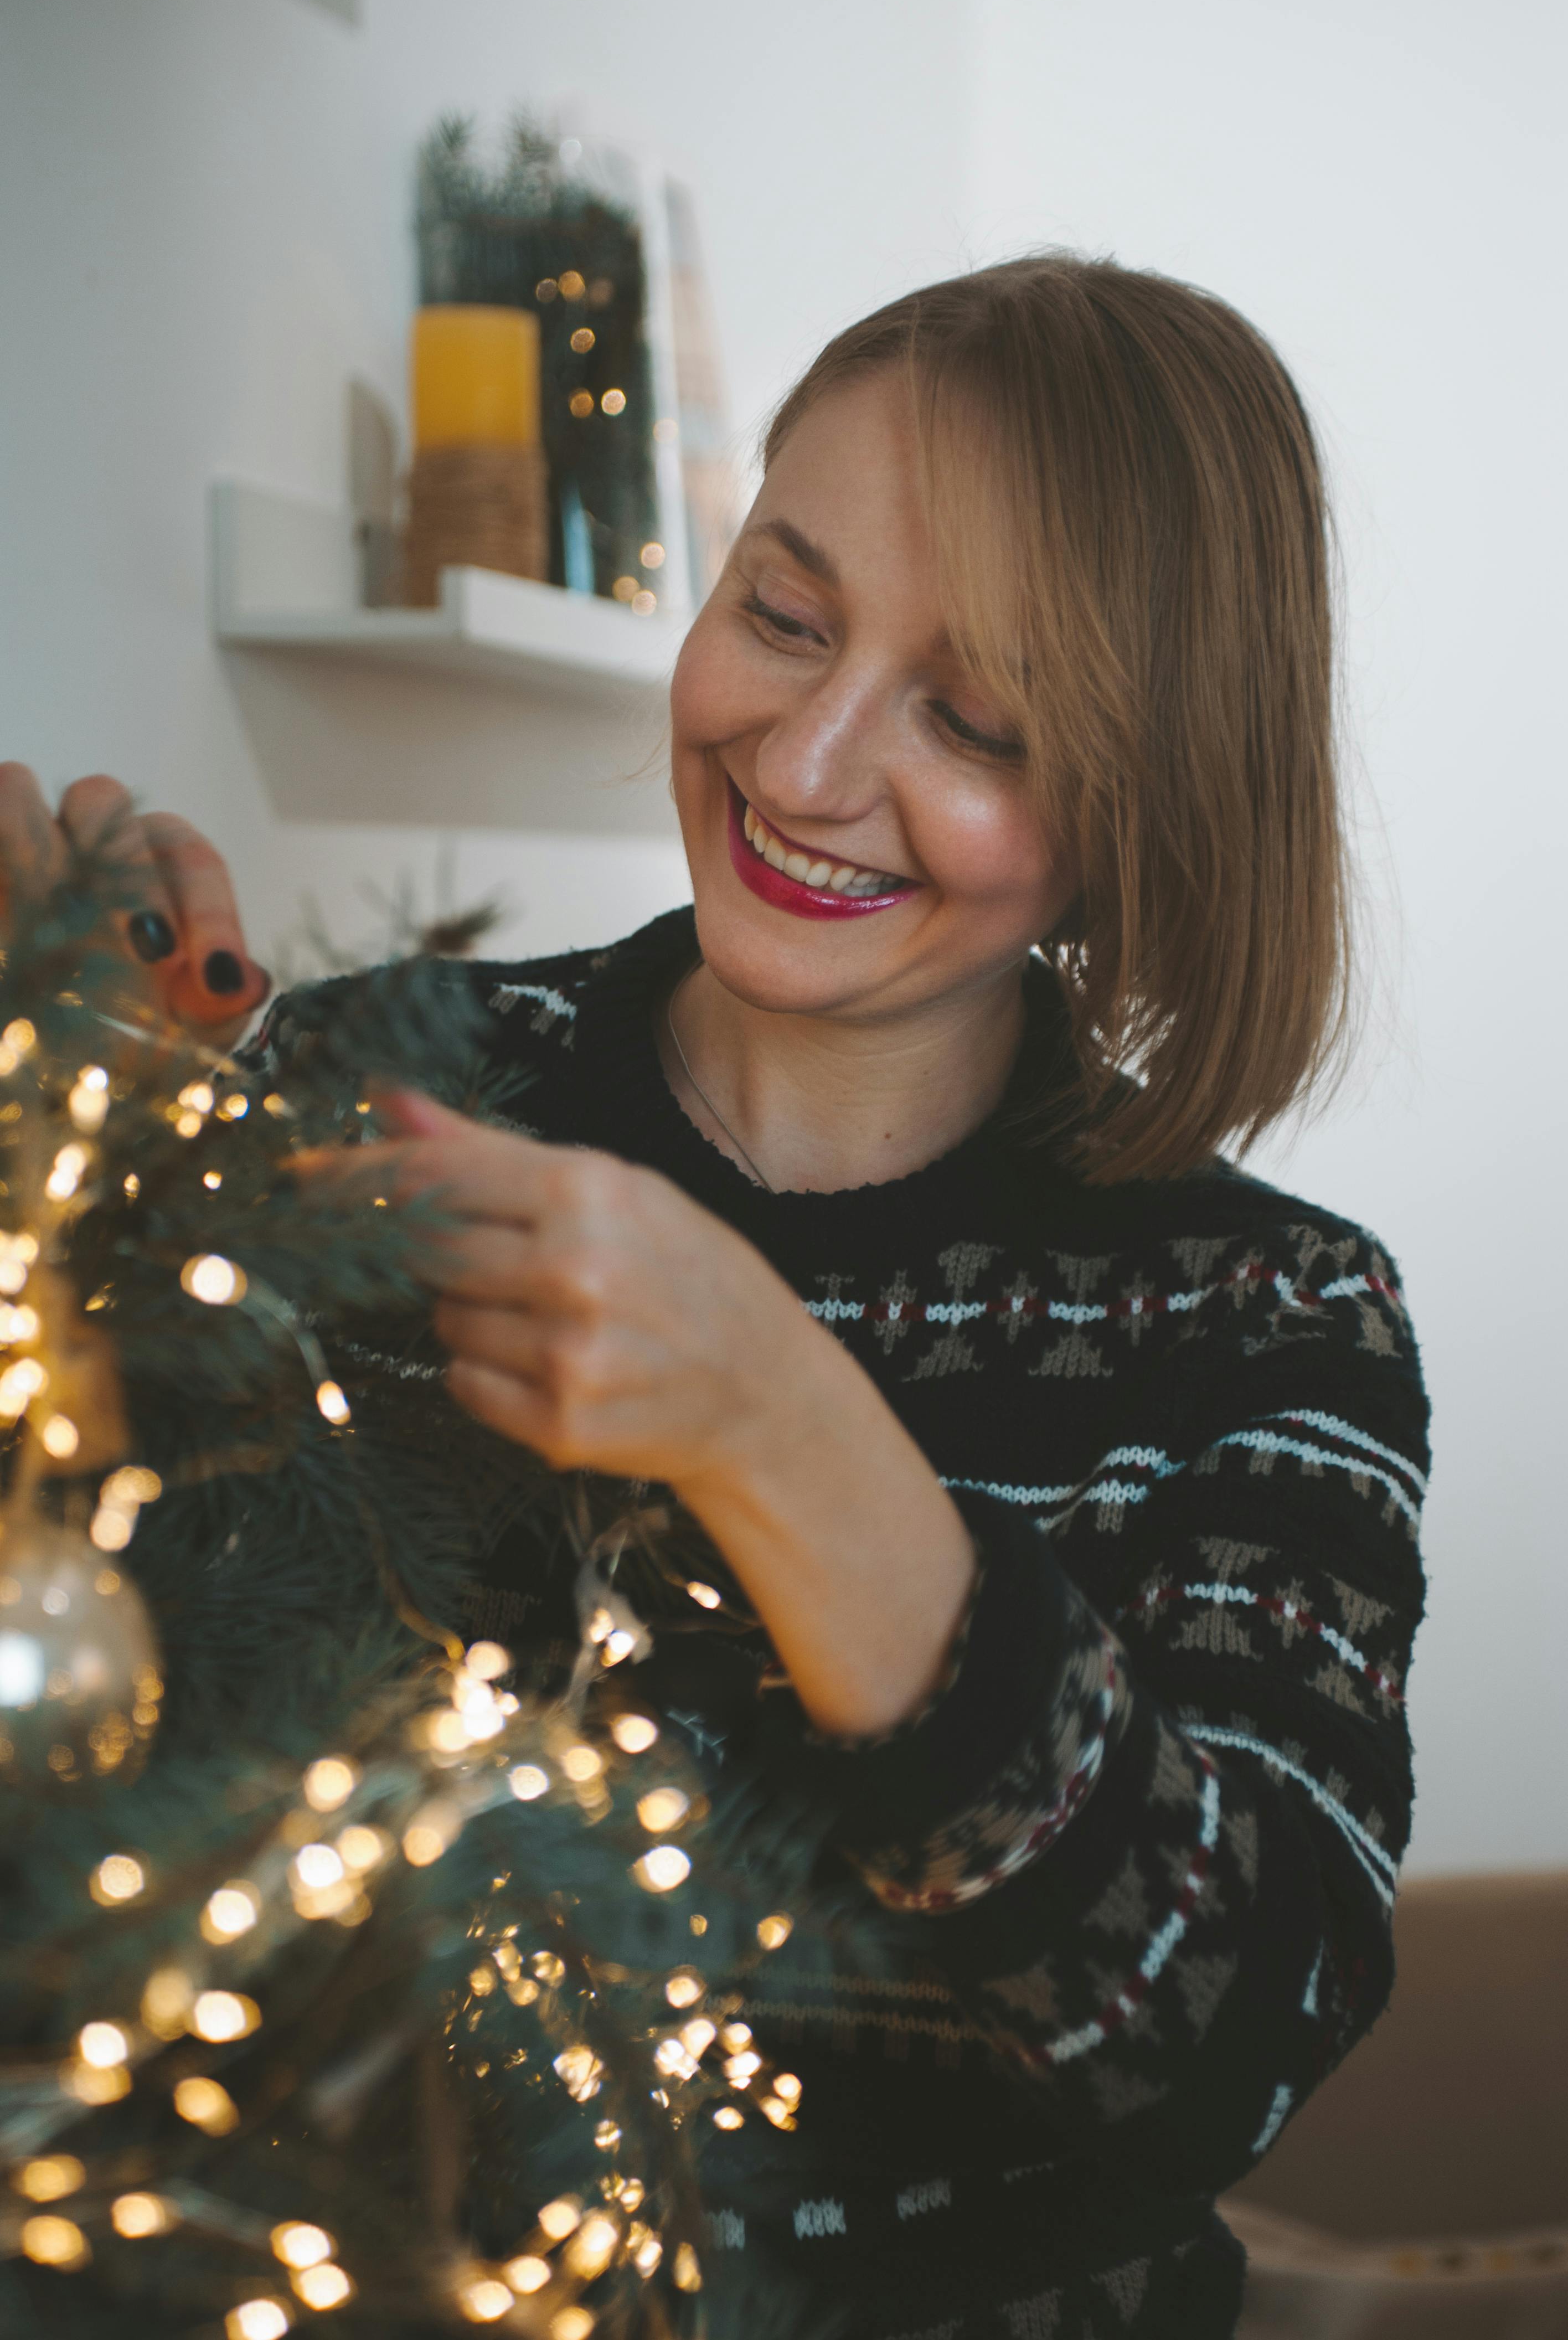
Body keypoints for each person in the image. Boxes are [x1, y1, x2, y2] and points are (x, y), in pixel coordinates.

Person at [2, 254, 1428, 2338]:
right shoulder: (354, 1097)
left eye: (979, 717)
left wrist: (782, 1428)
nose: (812, 758)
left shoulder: (1269, 1319)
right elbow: (106, 1799)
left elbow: (1223, 2050)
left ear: (1144, 803)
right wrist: (63, 1201)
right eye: (784, 611)